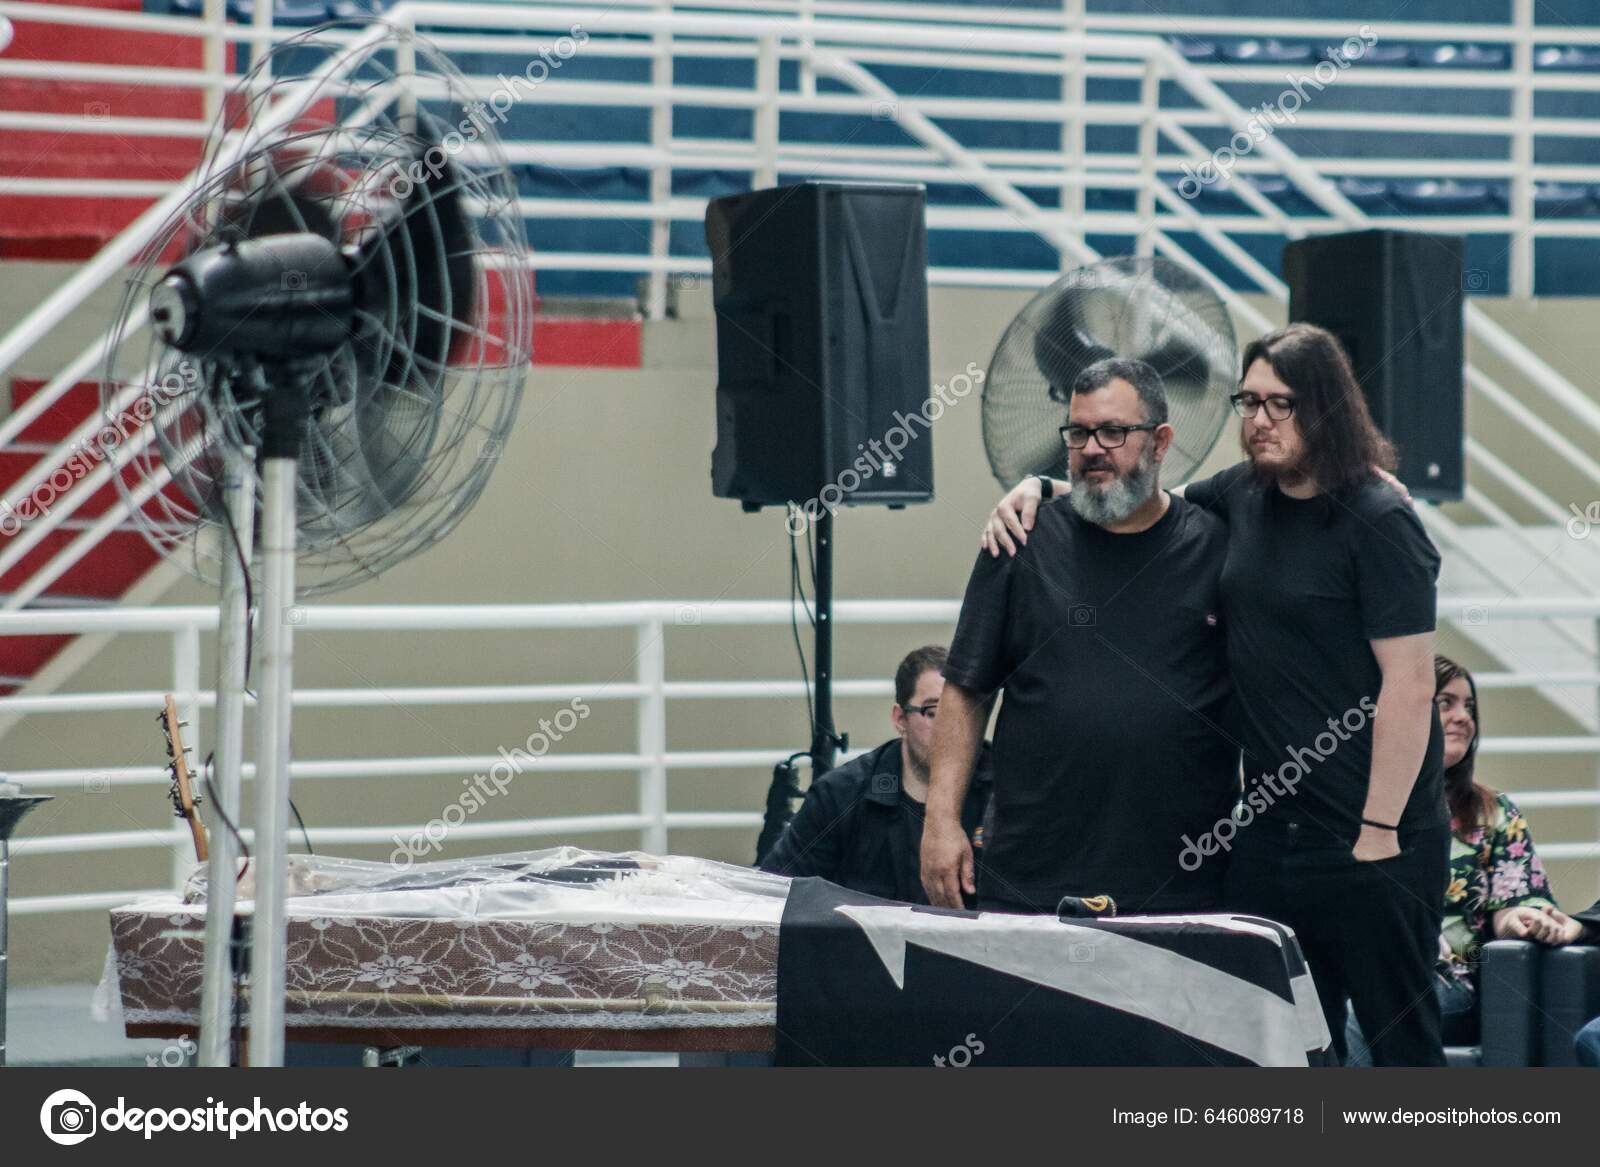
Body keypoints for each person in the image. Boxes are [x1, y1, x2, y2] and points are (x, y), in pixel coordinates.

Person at [982, 324, 1448, 1066]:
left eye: (1281, 404)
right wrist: (1039, 487)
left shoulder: (1380, 519)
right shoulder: (1240, 494)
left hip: (1375, 839)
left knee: (1401, 1051)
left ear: (1325, 409)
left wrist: (1379, 829)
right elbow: (1137, 496)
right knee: (1283, 1050)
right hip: (1270, 838)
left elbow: (1412, 684)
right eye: (1249, 401)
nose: (1258, 420)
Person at [921, 357, 1239, 916]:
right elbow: (967, 687)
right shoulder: (1020, 540)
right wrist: (941, 821)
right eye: (1079, 432)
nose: (1092, 448)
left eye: (1113, 432)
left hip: (1180, 878)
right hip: (1032, 874)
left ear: (1160, 442)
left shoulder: (1218, 549)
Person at [1345, 655, 1589, 1061]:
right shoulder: (1357, 803)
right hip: (1352, 971)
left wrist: (1520, 918)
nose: (1462, 717)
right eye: (1446, 703)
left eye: (1469, 707)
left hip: (1442, 983)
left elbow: (1516, 901)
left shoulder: (1492, 812)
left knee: (1360, 1015)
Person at [761, 645, 991, 905]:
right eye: (933, 713)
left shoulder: (1005, 793)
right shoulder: (839, 796)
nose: (951, 728)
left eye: (964, 715)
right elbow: (772, 897)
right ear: (900, 719)